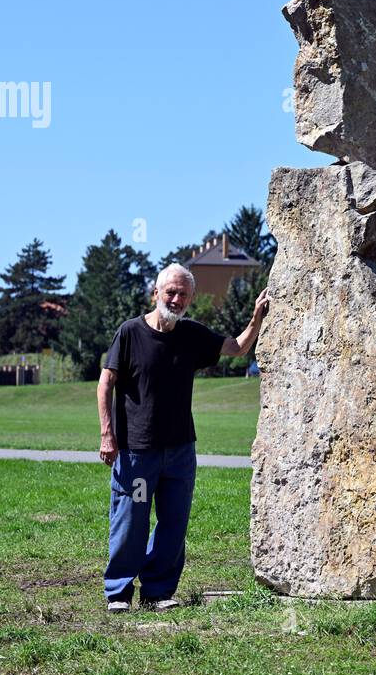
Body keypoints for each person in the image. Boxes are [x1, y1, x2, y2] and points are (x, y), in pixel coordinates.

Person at [97, 262, 269, 612]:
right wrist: (107, 434)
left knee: (173, 523)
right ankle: (119, 592)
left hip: (179, 451)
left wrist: (256, 317)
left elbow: (236, 348)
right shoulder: (130, 332)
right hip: (137, 451)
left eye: (183, 294)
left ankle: (158, 591)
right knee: (132, 520)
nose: (176, 299)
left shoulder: (191, 334)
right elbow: (106, 383)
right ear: (155, 293)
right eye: (170, 292)